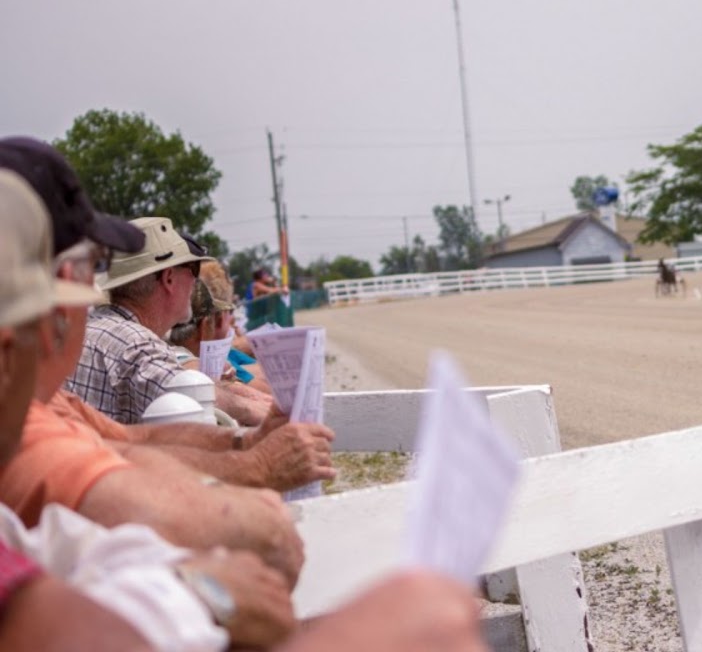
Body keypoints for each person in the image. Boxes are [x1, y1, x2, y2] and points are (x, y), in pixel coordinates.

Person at [1, 156, 485, 652]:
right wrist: (215, 578)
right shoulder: (40, 419)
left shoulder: (50, 401)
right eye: (86, 269)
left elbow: (131, 443)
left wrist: (245, 445)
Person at [66, 217, 275, 426]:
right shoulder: (134, 341)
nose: (196, 280)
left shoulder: (94, 327)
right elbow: (186, 393)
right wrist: (263, 409)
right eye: (193, 268)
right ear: (168, 278)